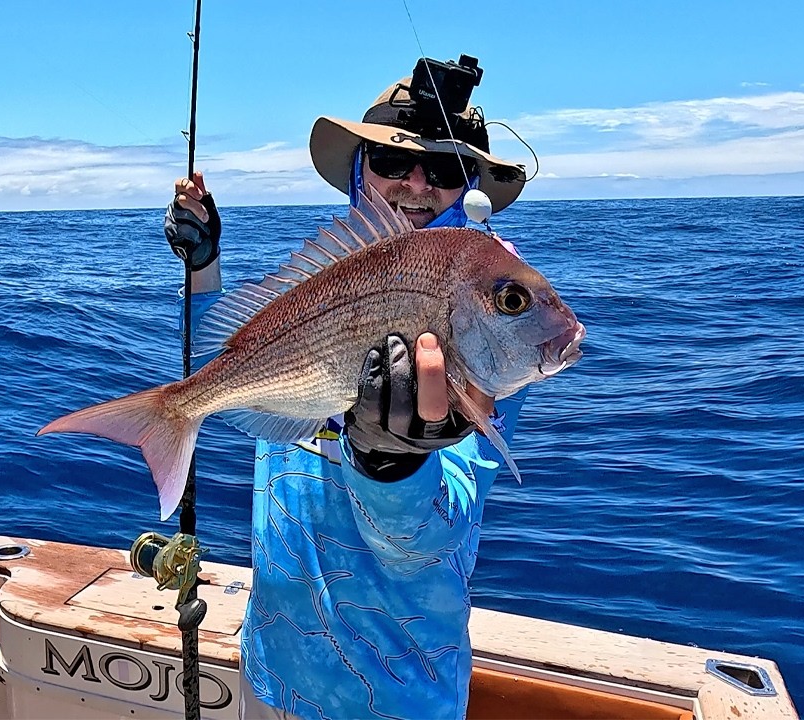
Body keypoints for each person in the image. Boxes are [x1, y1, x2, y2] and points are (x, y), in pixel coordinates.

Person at [164, 57, 531, 719]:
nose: (417, 184)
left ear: (468, 185)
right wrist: (205, 263)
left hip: (395, 695)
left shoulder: (494, 311)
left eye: (446, 170)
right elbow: (231, 368)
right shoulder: (323, 279)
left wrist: (393, 464)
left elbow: (428, 540)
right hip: (270, 668)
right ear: (361, 169)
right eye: (393, 161)